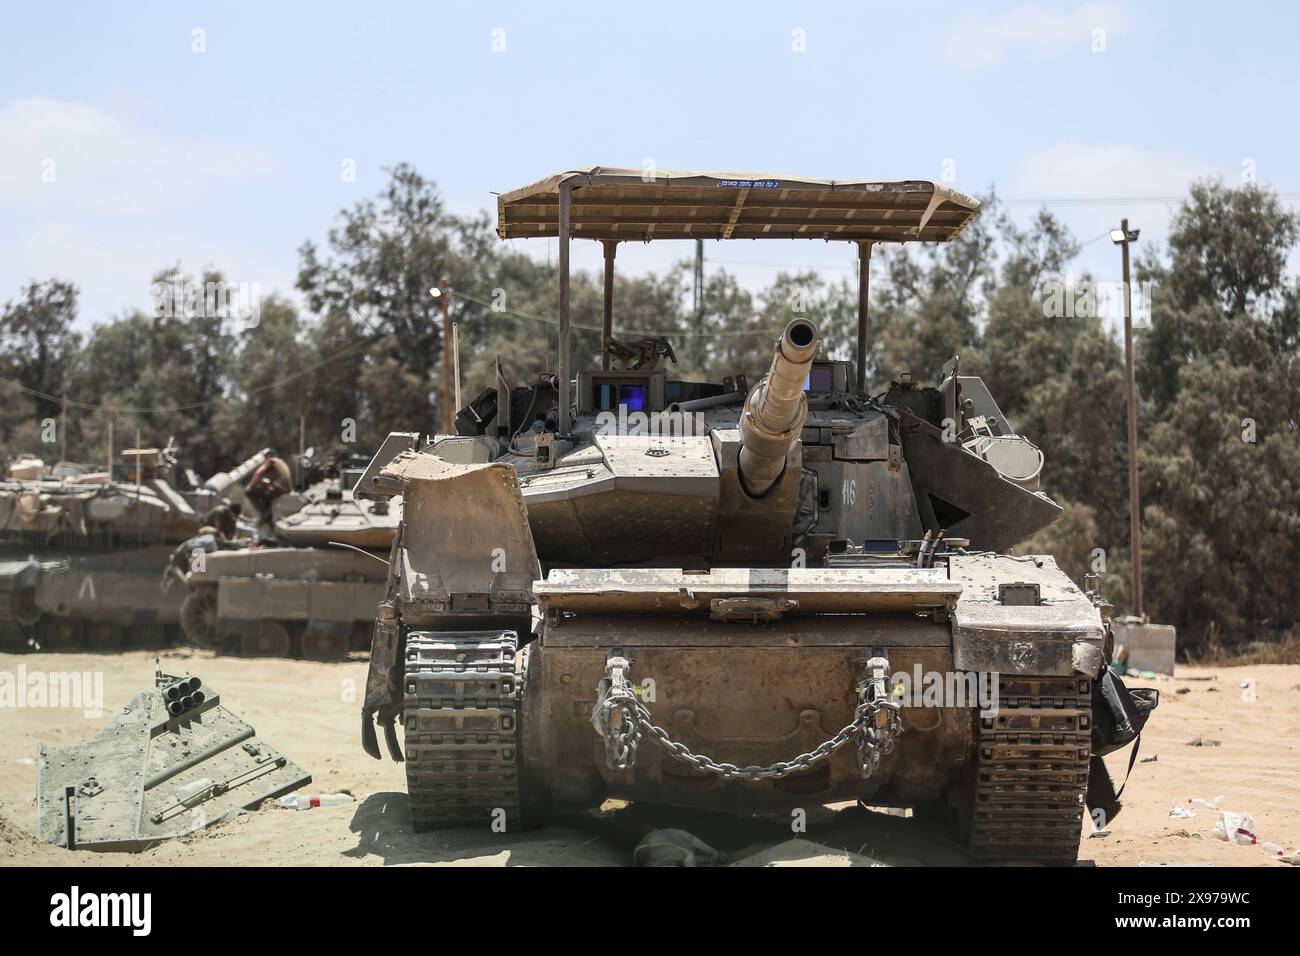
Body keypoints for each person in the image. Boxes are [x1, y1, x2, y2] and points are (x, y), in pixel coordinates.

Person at [244, 450, 293, 517]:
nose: (264, 459)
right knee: (265, 491)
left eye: (265, 457)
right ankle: (267, 514)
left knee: (250, 491)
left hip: (279, 489)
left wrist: (250, 485)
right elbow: (275, 479)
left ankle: (264, 513)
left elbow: (258, 472)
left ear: (269, 456)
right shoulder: (281, 463)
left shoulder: (272, 460)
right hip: (286, 490)